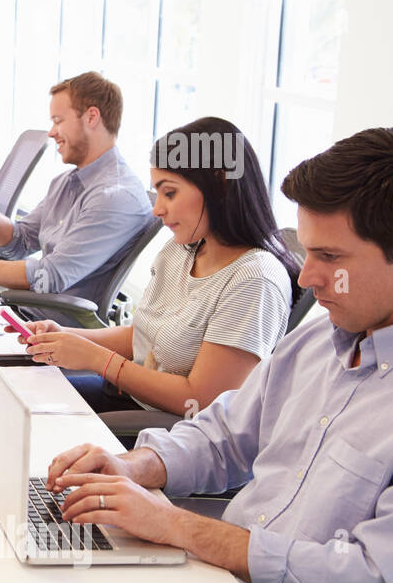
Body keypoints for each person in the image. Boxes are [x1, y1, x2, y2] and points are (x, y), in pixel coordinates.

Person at [44, 128, 393, 583]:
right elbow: (225, 433)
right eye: (307, 251)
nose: (306, 277)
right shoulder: (317, 344)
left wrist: (181, 529)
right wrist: (137, 464)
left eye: (330, 257)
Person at [16, 118, 297, 420]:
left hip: (161, 434)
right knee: (14, 394)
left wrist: (97, 359)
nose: (157, 208)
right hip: (122, 397)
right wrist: (66, 337)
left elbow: (200, 402)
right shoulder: (183, 248)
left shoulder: (253, 281)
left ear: (219, 185)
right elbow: (143, 335)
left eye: (170, 193)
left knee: (25, 424)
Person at [0, 72, 152, 315]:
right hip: (24, 313)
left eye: (58, 120)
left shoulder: (115, 197)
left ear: (91, 117)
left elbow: (48, 278)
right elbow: (17, 244)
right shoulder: (66, 181)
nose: (51, 132)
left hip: (50, 334)